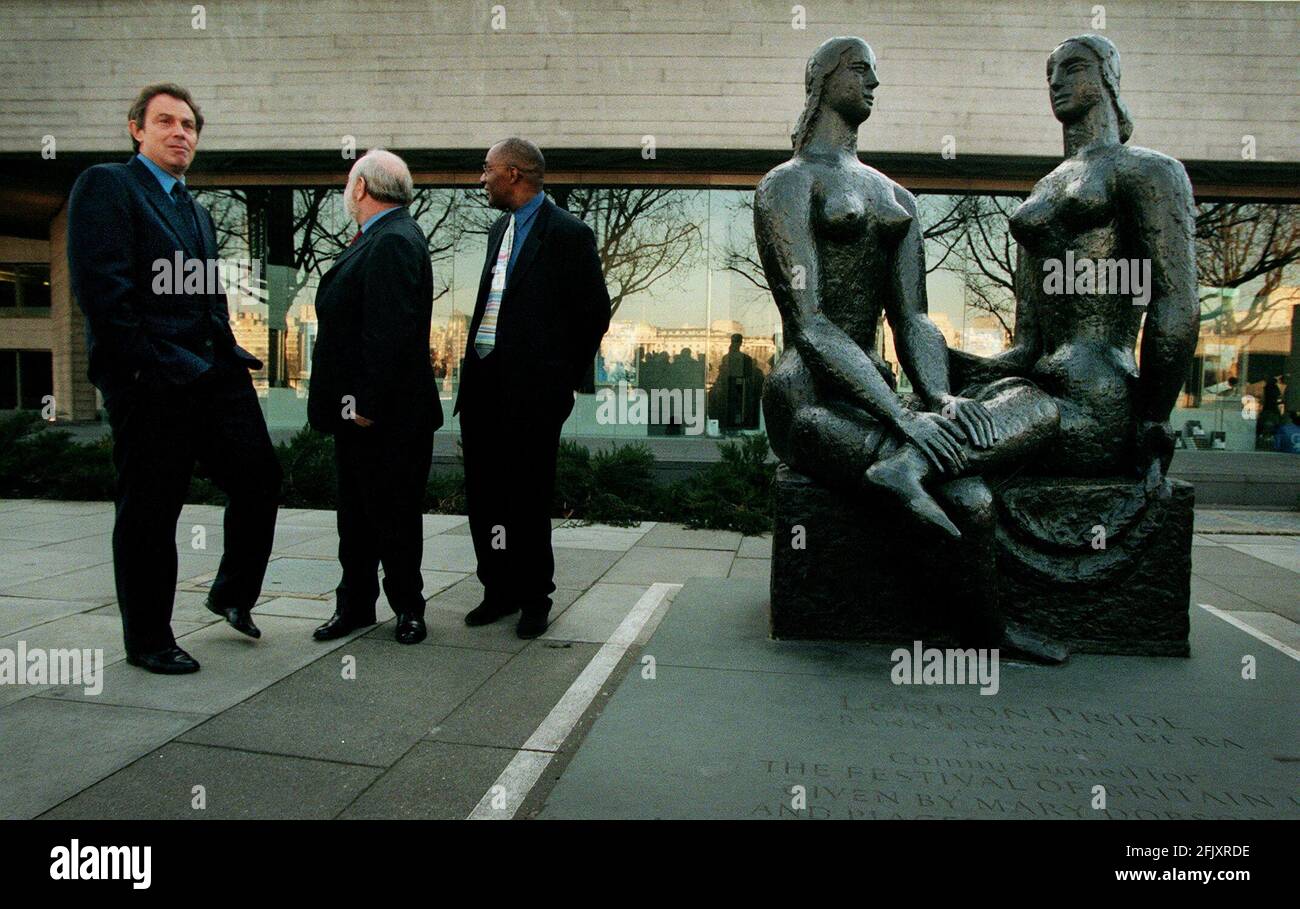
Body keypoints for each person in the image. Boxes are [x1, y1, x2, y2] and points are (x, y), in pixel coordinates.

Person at [66, 83, 281, 674]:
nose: (181, 133)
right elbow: (103, 291)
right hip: (150, 378)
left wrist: (228, 349)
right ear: (137, 129)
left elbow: (203, 292)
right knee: (152, 510)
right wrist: (143, 368)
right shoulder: (108, 186)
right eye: (167, 122)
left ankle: (232, 593)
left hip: (212, 373)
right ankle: (149, 640)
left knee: (260, 476)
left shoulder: (196, 209)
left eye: (190, 125)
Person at [454, 138, 610, 639]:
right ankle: (496, 589)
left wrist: (559, 382)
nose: (481, 179)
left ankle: (534, 598)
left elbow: (593, 315)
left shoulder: (568, 234)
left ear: (514, 173)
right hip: (482, 389)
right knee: (485, 497)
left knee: (525, 497)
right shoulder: (498, 229)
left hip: (532, 397)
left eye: (487, 170)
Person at [307, 150, 439, 645]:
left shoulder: (393, 240)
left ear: (360, 188)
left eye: (348, 184)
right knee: (357, 516)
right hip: (360, 412)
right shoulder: (379, 238)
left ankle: (408, 608)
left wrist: (367, 402)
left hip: (384, 416)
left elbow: (390, 330)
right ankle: (357, 605)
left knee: (394, 516)